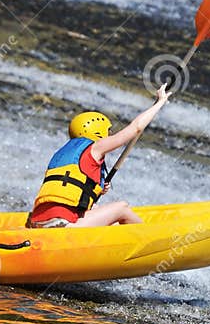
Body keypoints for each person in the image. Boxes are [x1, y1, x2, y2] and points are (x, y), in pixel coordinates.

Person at [27, 84, 171, 228]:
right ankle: (151, 239)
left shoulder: (61, 155)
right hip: (61, 225)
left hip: (38, 222)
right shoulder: (95, 148)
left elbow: (74, 190)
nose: (109, 135)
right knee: (122, 208)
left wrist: (97, 187)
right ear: (97, 132)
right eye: (107, 131)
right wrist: (160, 102)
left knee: (103, 213)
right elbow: (136, 128)